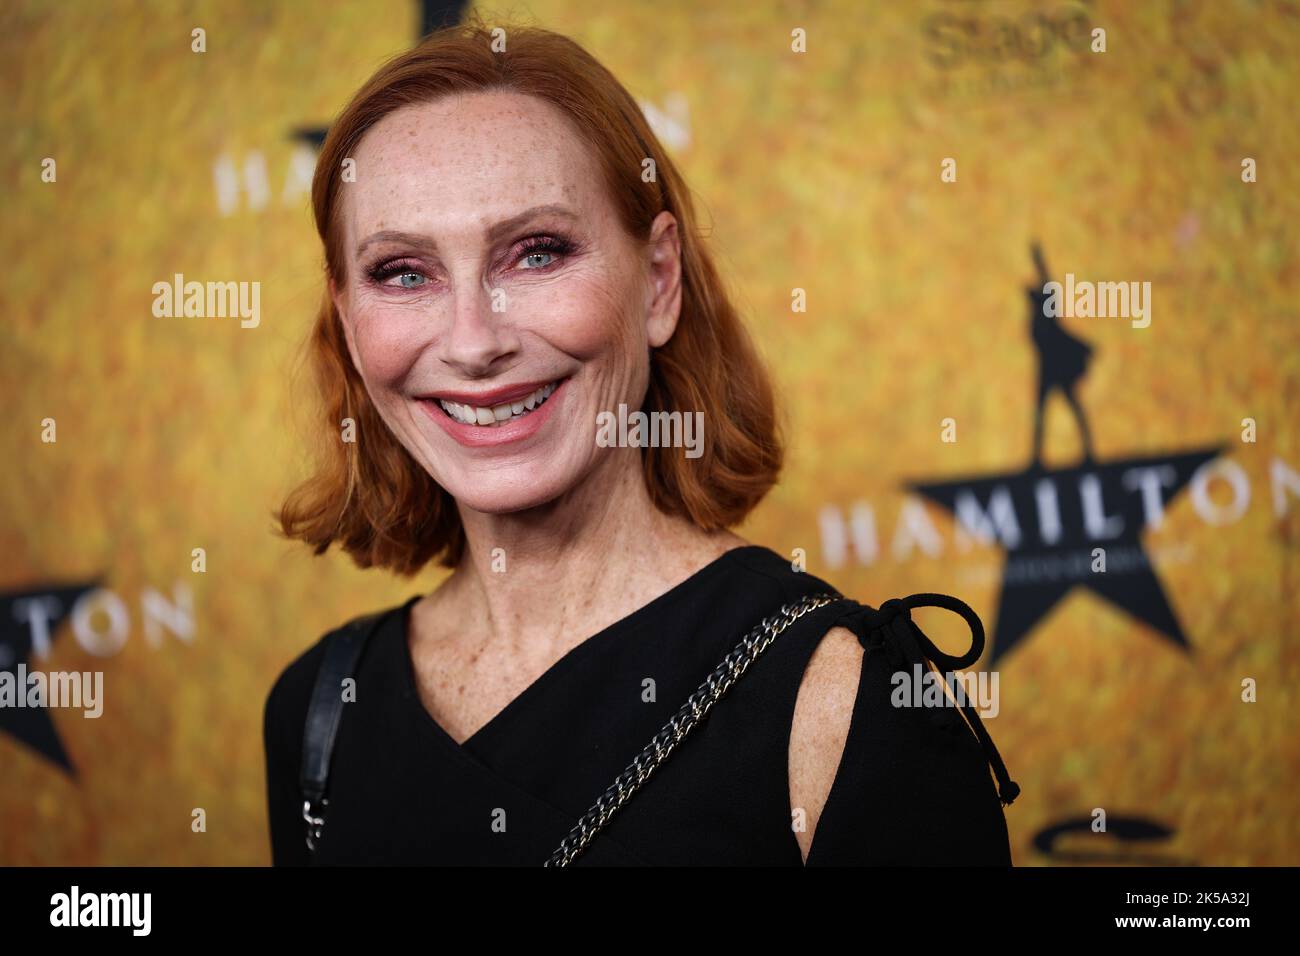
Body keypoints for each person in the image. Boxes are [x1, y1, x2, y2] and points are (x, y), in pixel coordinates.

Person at [263, 20, 1018, 866]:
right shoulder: (320, 710)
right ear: (347, 319)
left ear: (659, 280)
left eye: (536, 254)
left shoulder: (842, 700)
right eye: (404, 272)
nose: (474, 342)